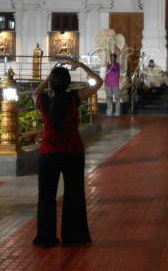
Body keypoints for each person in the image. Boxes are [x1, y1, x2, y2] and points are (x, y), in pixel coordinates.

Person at [31, 61, 103, 248]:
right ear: (68, 83)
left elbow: (35, 93)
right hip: (73, 152)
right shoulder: (74, 99)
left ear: (52, 84)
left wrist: (49, 76)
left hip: (49, 153)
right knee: (74, 194)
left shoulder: (44, 101)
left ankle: (46, 238)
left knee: (47, 196)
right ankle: (74, 236)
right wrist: (78, 64)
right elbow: (98, 82)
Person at [104, 52, 121, 117]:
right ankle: (109, 112)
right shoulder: (108, 65)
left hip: (115, 84)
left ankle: (117, 113)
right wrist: (107, 67)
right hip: (107, 84)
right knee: (109, 98)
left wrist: (111, 67)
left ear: (115, 58)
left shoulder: (117, 65)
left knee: (117, 99)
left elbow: (116, 73)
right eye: (111, 58)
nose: (112, 59)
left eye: (113, 58)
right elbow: (106, 73)